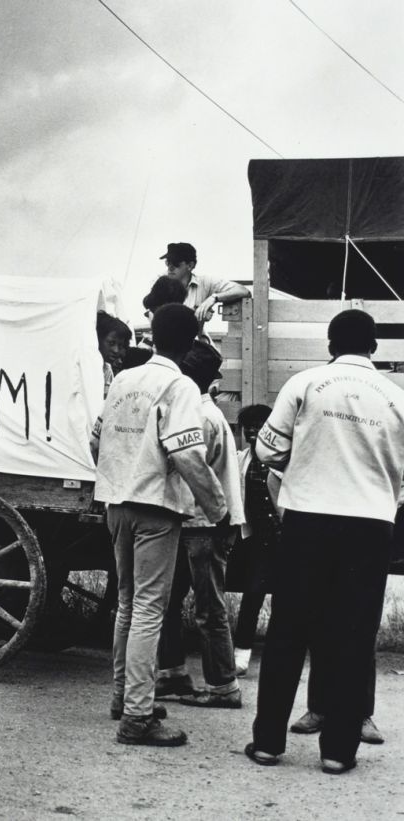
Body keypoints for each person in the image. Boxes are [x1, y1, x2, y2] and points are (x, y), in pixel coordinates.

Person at [245, 309, 404, 775]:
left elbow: (268, 450)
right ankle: (338, 752)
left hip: (308, 520)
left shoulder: (305, 384)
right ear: (374, 347)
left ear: (330, 344)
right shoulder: (397, 398)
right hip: (370, 526)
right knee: (354, 637)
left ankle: (269, 743)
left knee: (288, 632)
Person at [91, 303, 227, 747]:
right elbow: (187, 454)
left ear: (151, 336)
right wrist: (218, 507)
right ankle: (137, 715)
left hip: (117, 502)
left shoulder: (123, 380)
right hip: (155, 508)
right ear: (189, 345)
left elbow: (96, 438)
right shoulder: (179, 385)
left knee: (128, 604)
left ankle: (124, 696)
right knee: (150, 608)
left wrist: (120, 472)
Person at [155, 341, 245, 708]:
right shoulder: (207, 412)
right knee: (172, 601)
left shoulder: (199, 417)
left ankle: (223, 686)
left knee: (208, 608)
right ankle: (173, 673)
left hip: (202, 524)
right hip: (198, 523)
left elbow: (193, 470)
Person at [228, 404, 281, 676]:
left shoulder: (284, 462)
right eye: (247, 427)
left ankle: (279, 653)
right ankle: (242, 654)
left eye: (258, 426)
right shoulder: (241, 460)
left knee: (287, 599)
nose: (252, 431)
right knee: (253, 593)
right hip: (256, 539)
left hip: (284, 540)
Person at [159, 242, 250, 322]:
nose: (170, 267)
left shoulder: (204, 282)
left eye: (175, 263)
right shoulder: (159, 283)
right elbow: (155, 318)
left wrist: (214, 298)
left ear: (190, 265)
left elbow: (244, 291)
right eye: (168, 262)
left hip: (193, 339)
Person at [96, 311, 131, 397]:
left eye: (120, 345)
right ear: (98, 340)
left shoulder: (107, 370)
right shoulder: (84, 367)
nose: (116, 350)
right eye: (111, 343)